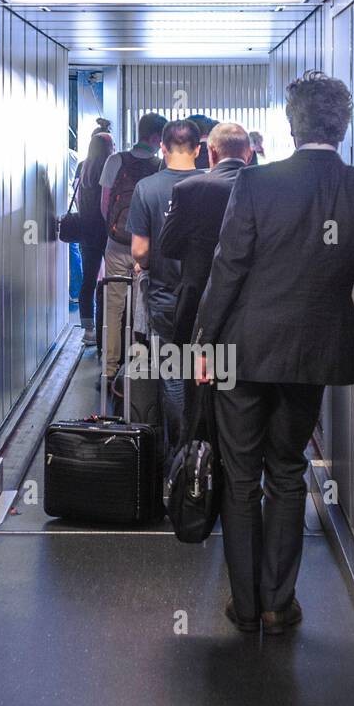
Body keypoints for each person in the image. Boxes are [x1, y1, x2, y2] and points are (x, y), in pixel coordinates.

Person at [192, 72, 354, 635]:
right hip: (313, 352)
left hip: (244, 350)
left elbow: (227, 269)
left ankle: (245, 605)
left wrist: (203, 344)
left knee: (240, 474)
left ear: (290, 124)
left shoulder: (255, 184)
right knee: (287, 469)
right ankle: (280, 603)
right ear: (343, 126)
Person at [129, 118, 203, 455]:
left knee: (173, 378)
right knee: (211, 374)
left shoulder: (147, 187)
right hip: (207, 302)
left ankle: (178, 456)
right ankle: (205, 454)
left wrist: (146, 264)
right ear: (199, 149)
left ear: (162, 147)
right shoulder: (216, 184)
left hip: (165, 300)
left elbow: (141, 251)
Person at [159, 120, 252, 352]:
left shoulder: (189, 188)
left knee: (192, 377)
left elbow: (167, 246)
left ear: (211, 151)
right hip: (249, 304)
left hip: (196, 299)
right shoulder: (269, 189)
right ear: (248, 154)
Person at [99, 112, 167, 382]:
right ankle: (142, 366)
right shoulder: (160, 166)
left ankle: (109, 368)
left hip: (116, 245)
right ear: (154, 137)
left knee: (114, 307)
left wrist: (116, 232)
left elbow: (105, 206)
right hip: (146, 249)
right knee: (144, 308)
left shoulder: (115, 160)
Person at [73, 128, 115, 341]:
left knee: (88, 281)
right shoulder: (112, 166)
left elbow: (78, 198)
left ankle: (88, 331)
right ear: (108, 148)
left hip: (87, 231)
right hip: (109, 232)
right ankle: (109, 327)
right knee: (112, 281)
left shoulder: (82, 166)